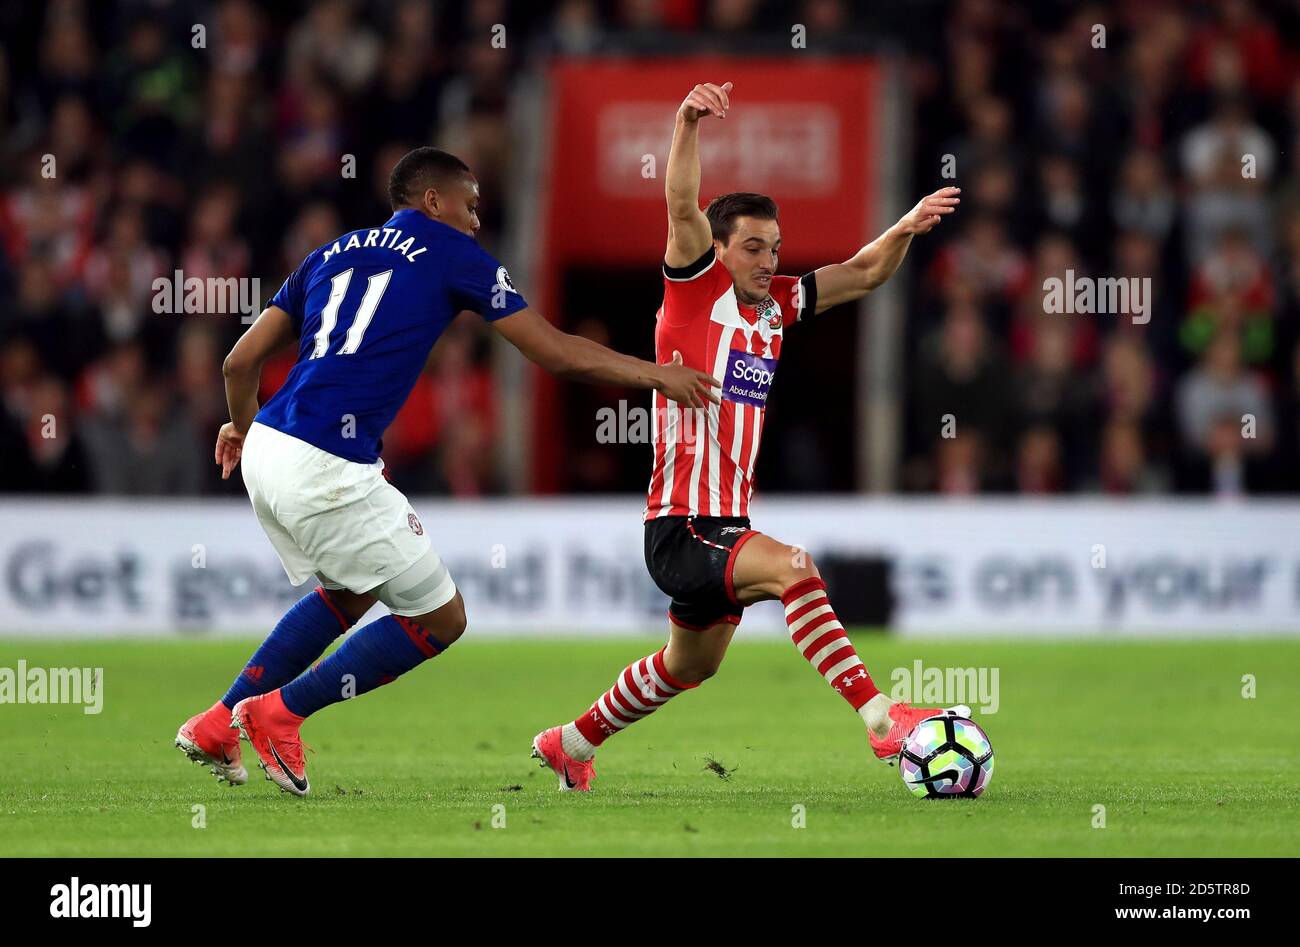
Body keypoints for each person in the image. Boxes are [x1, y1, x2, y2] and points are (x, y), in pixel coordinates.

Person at [175, 147, 719, 796]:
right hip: (324, 463)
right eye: (470, 203)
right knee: (442, 618)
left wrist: (242, 423)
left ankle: (217, 721)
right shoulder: (452, 254)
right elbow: (556, 352)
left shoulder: (332, 251)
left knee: (352, 591)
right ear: (432, 201)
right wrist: (657, 374)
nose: (476, 219)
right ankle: (275, 714)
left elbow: (238, 362)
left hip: (269, 445)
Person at [532, 82, 967, 791]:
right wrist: (685, 123)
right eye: (755, 248)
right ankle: (883, 718)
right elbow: (679, 203)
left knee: (687, 666)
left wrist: (907, 226)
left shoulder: (777, 306)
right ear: (721, 249)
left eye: (776, 247)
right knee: (796, 566)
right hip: (681, 525)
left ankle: (571, 742)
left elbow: (862, 272)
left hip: (724, 523)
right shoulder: (694, 288)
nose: (770, 260)